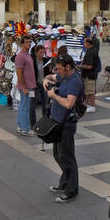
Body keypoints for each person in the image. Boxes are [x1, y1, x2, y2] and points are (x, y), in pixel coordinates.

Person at [43, 56, 88, 201]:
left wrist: (53, 95)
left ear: (68, 67)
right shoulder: (63, 76)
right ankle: (64, 183)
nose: (57, 71)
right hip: (57, 122)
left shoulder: (74, 81)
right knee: (58, 155)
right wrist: (46, 81)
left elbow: (69, 103)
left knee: (67, 157)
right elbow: (49, 77)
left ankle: (71, 190)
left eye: (59, 69)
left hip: (66, 124)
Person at [14, 38, 39, 135]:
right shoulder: (20, 56)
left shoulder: (27, 54)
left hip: (30, 85)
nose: (28, 44)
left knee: (23, 106)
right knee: (26, 107)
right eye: (26, 42)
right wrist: (24, 87)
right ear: (22, 44)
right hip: (26, 86)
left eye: (30, 42)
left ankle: (20, 126)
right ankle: (26, 129)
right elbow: (19, 72)